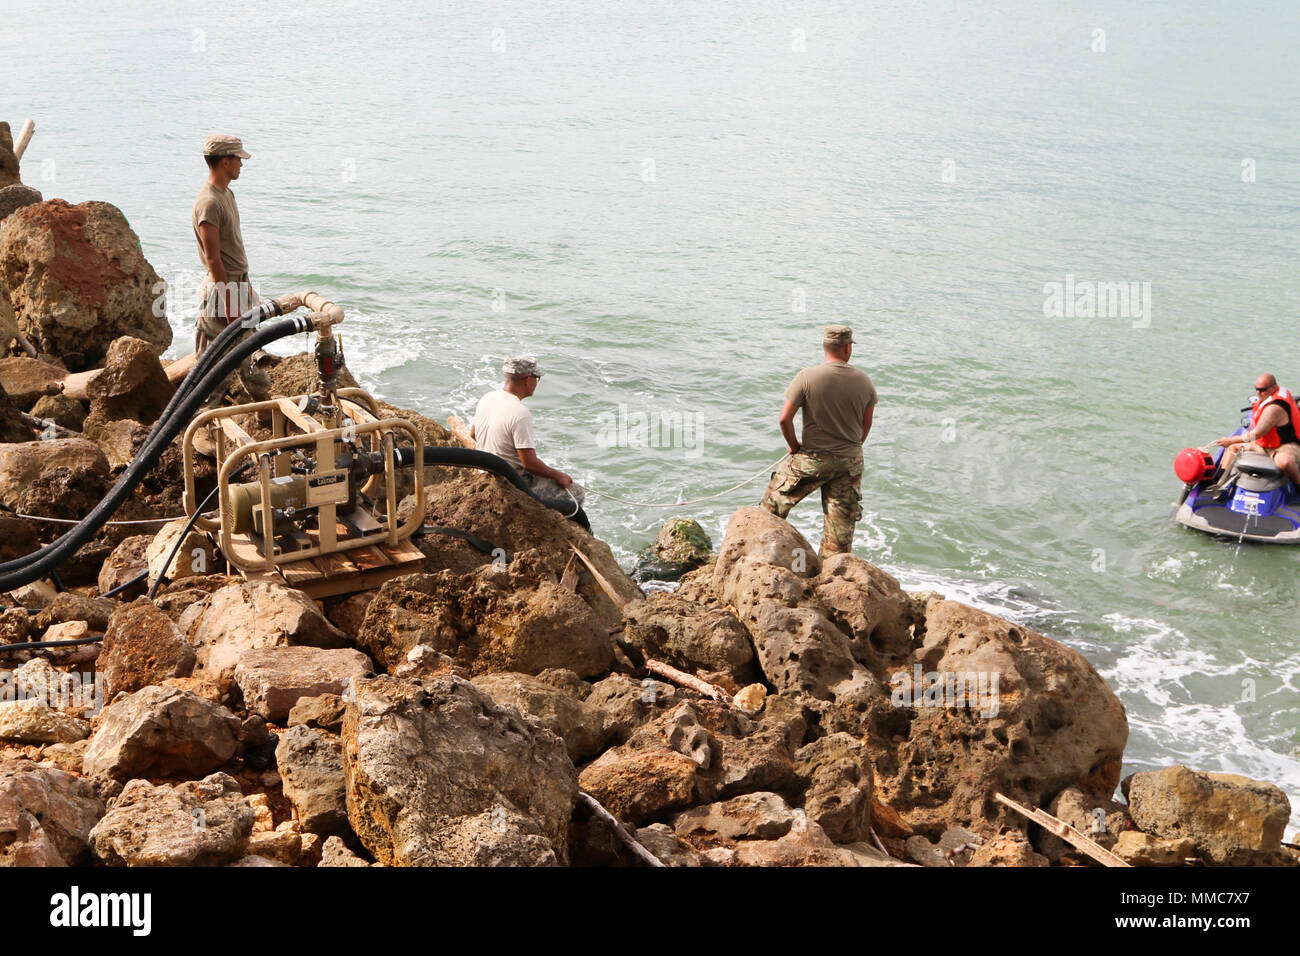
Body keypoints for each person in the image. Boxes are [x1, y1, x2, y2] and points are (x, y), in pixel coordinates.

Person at [759, 325, 877, 556]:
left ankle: (764, 556)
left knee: (770, 509)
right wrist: (852, 448)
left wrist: (794, 446)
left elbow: (784, 420)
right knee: (840, 531)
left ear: (825, 346)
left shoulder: (806, 377)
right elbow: (867, 424)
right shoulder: (864, 381)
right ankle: (833, 572)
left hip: (812, 458)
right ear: (847, 348)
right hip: (849, 462)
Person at [192, 133, 270, 409]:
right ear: (225, 161)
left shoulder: (226, 194)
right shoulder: (209, 203)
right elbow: (213, 259)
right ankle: (200, 427)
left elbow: (232, 251)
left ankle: (265, 410)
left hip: (236, 284)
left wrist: (246, 288)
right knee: (211, 368)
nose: (242, 164)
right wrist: (229, 302)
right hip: (221, 289)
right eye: (239, 159)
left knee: (247, 351)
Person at [471, 356, 590, 529]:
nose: (537, 383)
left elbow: (473, 433)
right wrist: (560, 475)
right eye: (537, 378)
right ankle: (554, 529)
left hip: (484, 472)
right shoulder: (520, 413)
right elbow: (530, 464)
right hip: (511, 482)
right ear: (527, 379)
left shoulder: (488, 398)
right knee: (576, 493)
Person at [1214, 373, 1300, 485]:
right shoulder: (1280, 392)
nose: (1259, 393)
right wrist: (1231, 443)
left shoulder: (1274, 409)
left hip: (1285, 446)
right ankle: (1219, 482)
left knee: (1285, 462)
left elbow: (1256, 434)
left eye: (1263, 390)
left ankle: (1298, 486)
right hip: (1267, 445)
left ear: (1273, 387)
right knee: (1232, 448)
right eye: (1257, 389)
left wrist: (1231, 440)